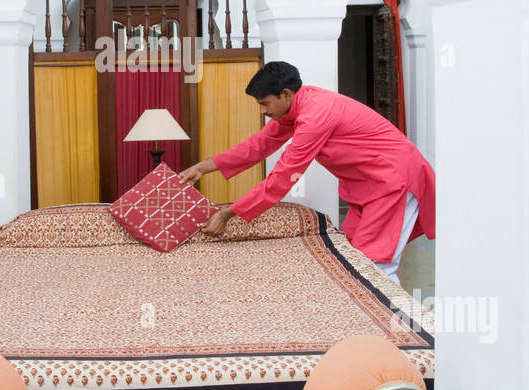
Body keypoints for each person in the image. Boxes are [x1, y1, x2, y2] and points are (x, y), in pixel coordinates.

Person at [179, 60, 435, 284]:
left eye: (264, 103)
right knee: (348, 254)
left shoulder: (316, 115)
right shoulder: (295, 108)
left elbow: (283, 176)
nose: (262, 111)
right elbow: (258, 146)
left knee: (373, 263)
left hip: (395, 181)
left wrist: (228, 213)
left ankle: (398, 329)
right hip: (368, 187)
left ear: (286, 94)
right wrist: (203, 167)